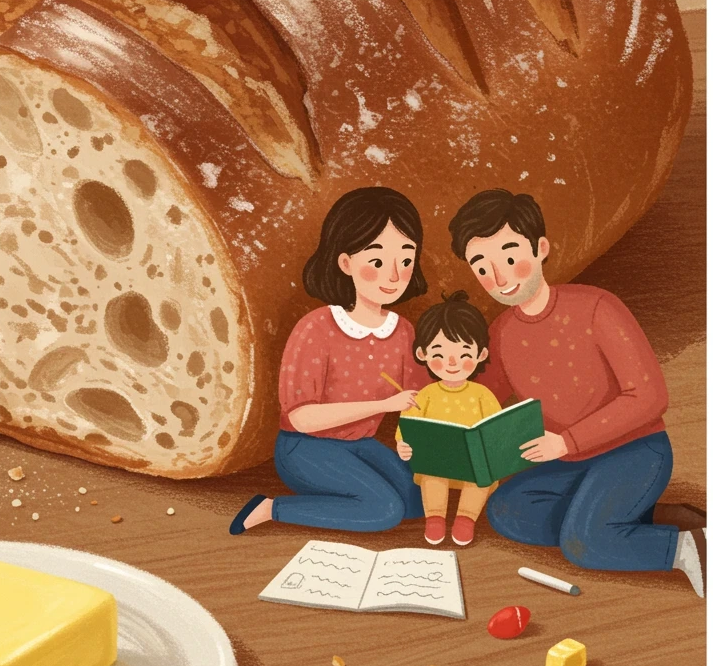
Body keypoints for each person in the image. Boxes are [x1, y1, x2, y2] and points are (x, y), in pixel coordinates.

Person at [449, 188, 706, 597]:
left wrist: (567, 441)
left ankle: (691, 548)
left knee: (583, 544)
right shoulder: (500, 332)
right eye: (482, 267)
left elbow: (650, 396)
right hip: (565, 460)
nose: (499, 278)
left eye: (510, 256)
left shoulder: (597, 307)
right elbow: (484, 402)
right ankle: (633, 516)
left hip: (634, 451)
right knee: (506, 512)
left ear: (541, 248)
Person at [229, 187, 429, 535]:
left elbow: (417, 400)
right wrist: (383, 404)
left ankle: (346, 495)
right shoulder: (316, 327)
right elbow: (302, 418)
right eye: (378, 262)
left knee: (420, 501)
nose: (394, 275)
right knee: (385, 511)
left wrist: (405, 437)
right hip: (305, 448)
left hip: (360, 445)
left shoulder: (403, 332)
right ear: (346, 262)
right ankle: (271, 509)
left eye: (406, 259)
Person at [395, 291, 501, 547]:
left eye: (464, 353)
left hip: (474, 466)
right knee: (431, 478)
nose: (451, 362)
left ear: (481, 354)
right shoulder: (426, 394)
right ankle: (435, 518)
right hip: (436, 463)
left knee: (482, 480)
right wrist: (403, 445)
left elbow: (497, 429)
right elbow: (407, 427)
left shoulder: (482, 395)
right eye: (439, 353)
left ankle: (466, 518)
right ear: (422, 354)